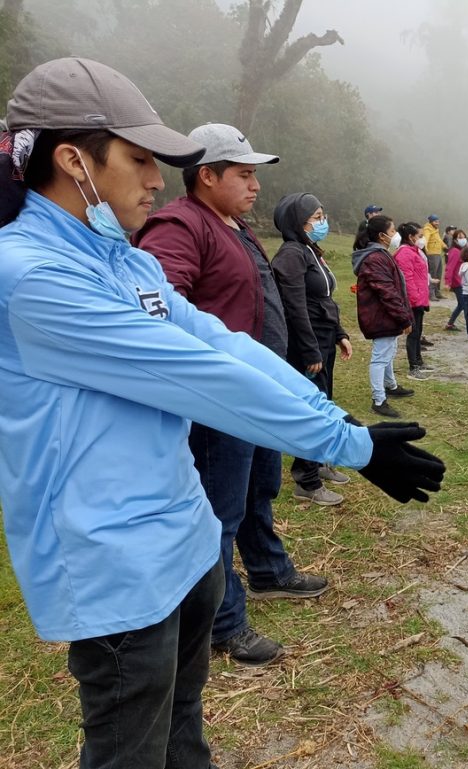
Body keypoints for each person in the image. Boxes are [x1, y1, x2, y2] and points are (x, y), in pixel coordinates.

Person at [0, 57, 444, 769]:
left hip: (187, 536)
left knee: (184, 726)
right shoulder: (32, 275)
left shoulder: (125, 262)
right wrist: (349, 446)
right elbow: (195, 374)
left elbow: (224, 343)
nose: (155, 178)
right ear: (72, 160)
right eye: (141, 158)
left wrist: (345, 426)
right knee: (129, 750)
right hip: (116, 565)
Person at [136, 122, 318, 667]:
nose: (255, 185)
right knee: (218, 512)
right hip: (219, 404)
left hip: (254, 397)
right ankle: (221, 622)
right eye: (243, 174)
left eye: (255, 174)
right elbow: (161, 309)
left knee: (258, 489)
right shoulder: (178, 227)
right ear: (206, 175)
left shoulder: (232, 225)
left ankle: (267, 571)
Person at [271, 192, 354, 505]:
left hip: (323, 339)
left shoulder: (310, 251)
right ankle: (305, 480)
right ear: (297, 222)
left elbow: (325, 299)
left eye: (323, 216)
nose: (323, 222)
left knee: (323, 404)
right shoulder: (291, 254)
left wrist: (340, 333)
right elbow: (294, 307)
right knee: (310, 410)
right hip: (308, 344)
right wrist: (310, 351)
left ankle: (317, 463)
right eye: (317, 217)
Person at [352, 215, 416, 418]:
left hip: (386, 315)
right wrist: (403, 318)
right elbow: (387, 292)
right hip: (380, 316)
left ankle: (390, 385)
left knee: (389, 351)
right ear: (381, 235)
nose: (395, 234)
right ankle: (379, 399)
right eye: (392, 231)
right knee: (380, 357)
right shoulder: (375, 258)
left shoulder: (381, 254)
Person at [394, 221, 432, 379]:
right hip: (413, 300)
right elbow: (407, 280)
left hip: (420, 299)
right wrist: (415, 299)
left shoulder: (414, 251)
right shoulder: (404, 253)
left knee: (418, 332)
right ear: (410, 236)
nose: (422, 239)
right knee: (413, 333)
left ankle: (419, 361)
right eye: (420, 236)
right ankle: (413, 366)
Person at [444, 228, 468, 331]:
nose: (462, 239)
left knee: (462, 304)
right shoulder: (455, 251)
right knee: (463, 304)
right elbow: (450, 267)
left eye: (463, 237)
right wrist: (447, 282)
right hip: (457, 282)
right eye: (460, 237)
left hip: (462, 281)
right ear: (455, 240)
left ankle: (450, 323)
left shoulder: (462, 250)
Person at [423, 214, 445, 301]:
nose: (437, 223)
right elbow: (426, 239)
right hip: (432, 254)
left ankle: (437, 292)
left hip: (438, 253)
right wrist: (425, 248)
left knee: (439, 273)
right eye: (435, 221)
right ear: (431, 222)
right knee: (433, 273)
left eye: (438, 221)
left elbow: (439, 240)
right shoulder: (427, 229)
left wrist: (444, 245)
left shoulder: (435, 230)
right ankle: (431, 294)